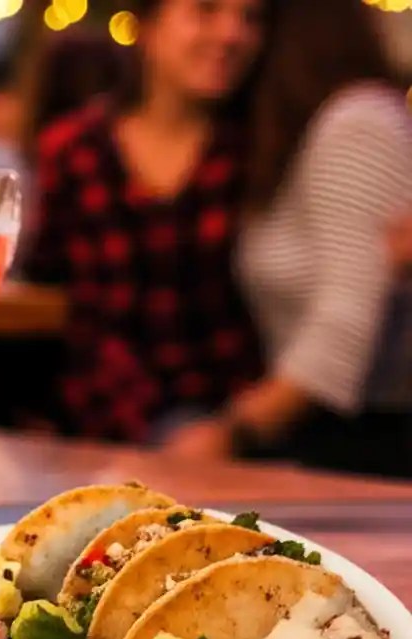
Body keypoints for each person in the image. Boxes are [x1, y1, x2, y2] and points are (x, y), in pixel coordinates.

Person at [166, 0, 412, 476]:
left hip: (369, 448)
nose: (232, 36)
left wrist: (230, 432)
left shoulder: (355, 121)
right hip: (322, 437)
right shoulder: (292, 134)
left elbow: (346, 318)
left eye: (252, 18)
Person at [23, 0, 269, 442]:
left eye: (249, 17)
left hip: (220, 421)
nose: (233, 34)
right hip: (93, 416)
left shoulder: (262, 147)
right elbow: (45, 283)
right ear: (147, 27)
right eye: (206, 11)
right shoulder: (74, 147)